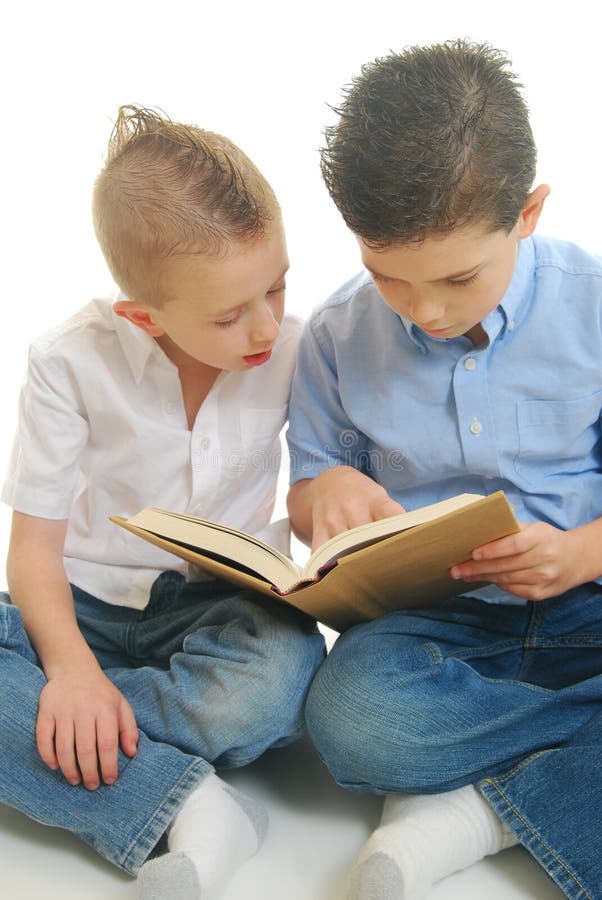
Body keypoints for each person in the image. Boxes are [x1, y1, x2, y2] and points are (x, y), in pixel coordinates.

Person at [286, 40, 602, 900]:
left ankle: (469, 815)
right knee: (350, 721)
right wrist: (327, 496)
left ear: (529, 212)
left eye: (458, 277)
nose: (422, 310)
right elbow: (308, 494)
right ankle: (561, 774)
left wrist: (580, 556)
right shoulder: (335, 336)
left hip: (589, 600)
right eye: (386, 276)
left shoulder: (594, 304)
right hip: (431, 625)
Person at [0, 104, 325, 900]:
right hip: (88, 607)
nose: (266, 323)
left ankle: (62, 732)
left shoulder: (297, 346)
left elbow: (317, 484)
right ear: (143, 317)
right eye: (228, 314)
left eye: (277, 285)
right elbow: (33, 550)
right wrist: (72, 670)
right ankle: (192, 804)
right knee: (61, 674)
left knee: (276, 691)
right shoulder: (67, 362)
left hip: (223, 608)